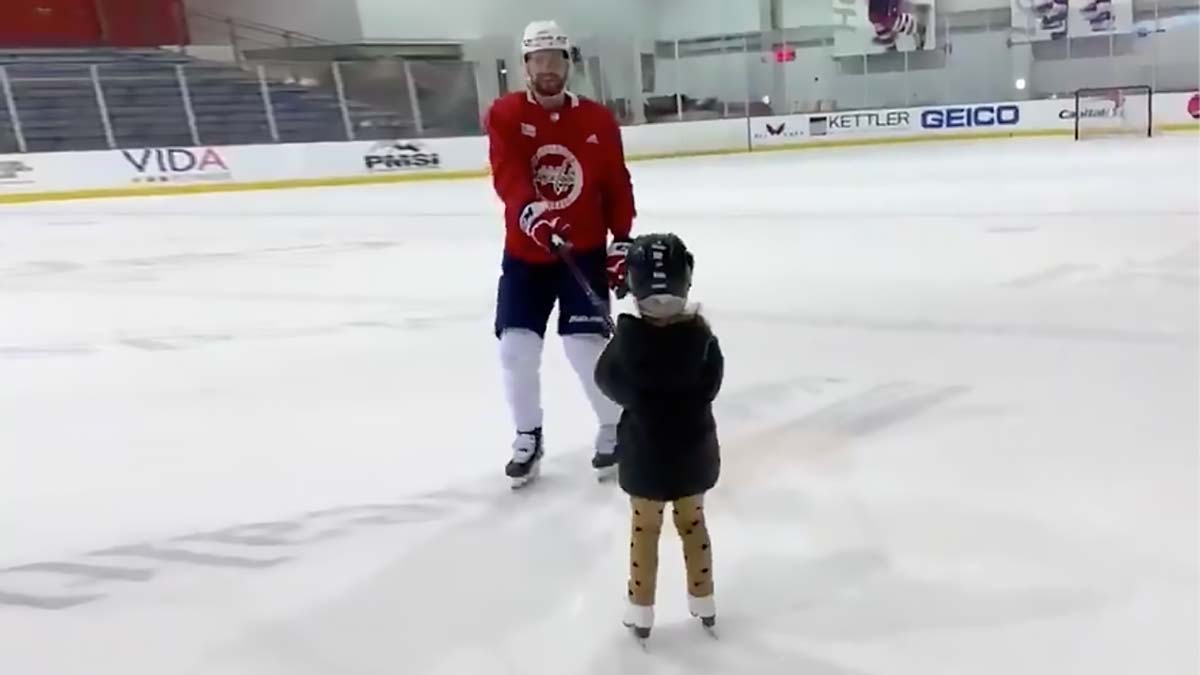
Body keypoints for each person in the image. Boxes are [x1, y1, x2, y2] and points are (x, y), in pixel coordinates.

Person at [484, 20, 637, 488]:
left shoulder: (596, 119)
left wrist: (622, 241)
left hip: (583, 251)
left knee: (583, 348)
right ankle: (528, 435)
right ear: (525, 64)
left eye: (556, 58)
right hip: (525, 257)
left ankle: (614, 428)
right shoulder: (505, 113)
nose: (547, 68)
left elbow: (616, 182)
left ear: (568, 63)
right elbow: (508, 175)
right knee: (516, 350)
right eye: (538, 59)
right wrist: (534, 214)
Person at [593, 233, 723, 639]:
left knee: (645, 531)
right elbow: (710, 383)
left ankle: (641, 608)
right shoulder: (702, 340)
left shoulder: (629, 343)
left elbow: (605, 379)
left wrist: (626, 347)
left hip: (646, 459)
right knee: (693, 524)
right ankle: (703, 599)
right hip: (693, 455)